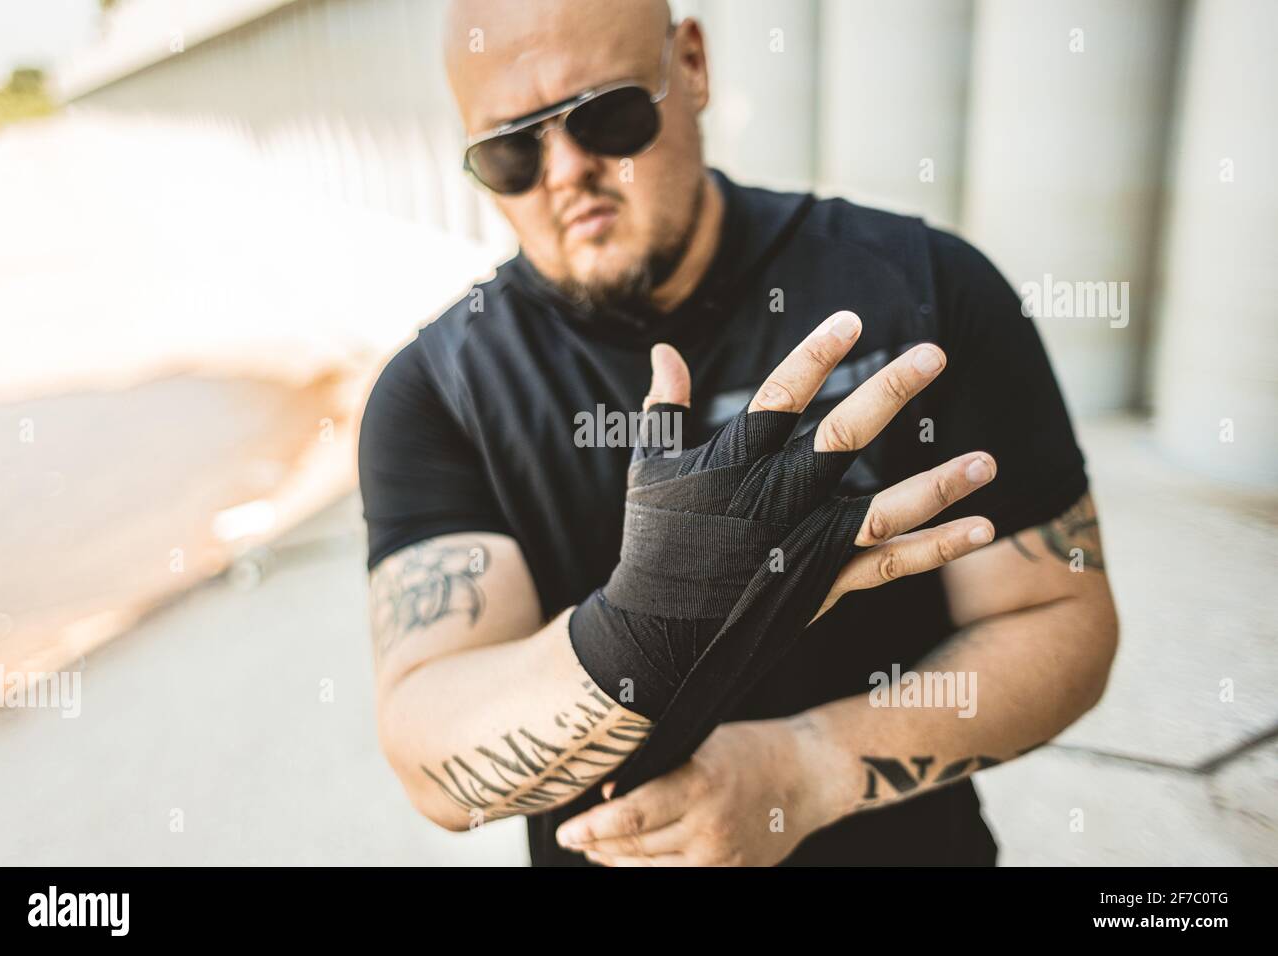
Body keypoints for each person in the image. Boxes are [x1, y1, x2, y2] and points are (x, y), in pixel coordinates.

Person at [358, 0, 1118, 866]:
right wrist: (648, 623)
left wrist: (808, 768)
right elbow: (429, 755)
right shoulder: (438, 392)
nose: (565, 170)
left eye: (606, 115)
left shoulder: (921, 288)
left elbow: (1063, 618)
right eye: (511, 150)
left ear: (691, 67)